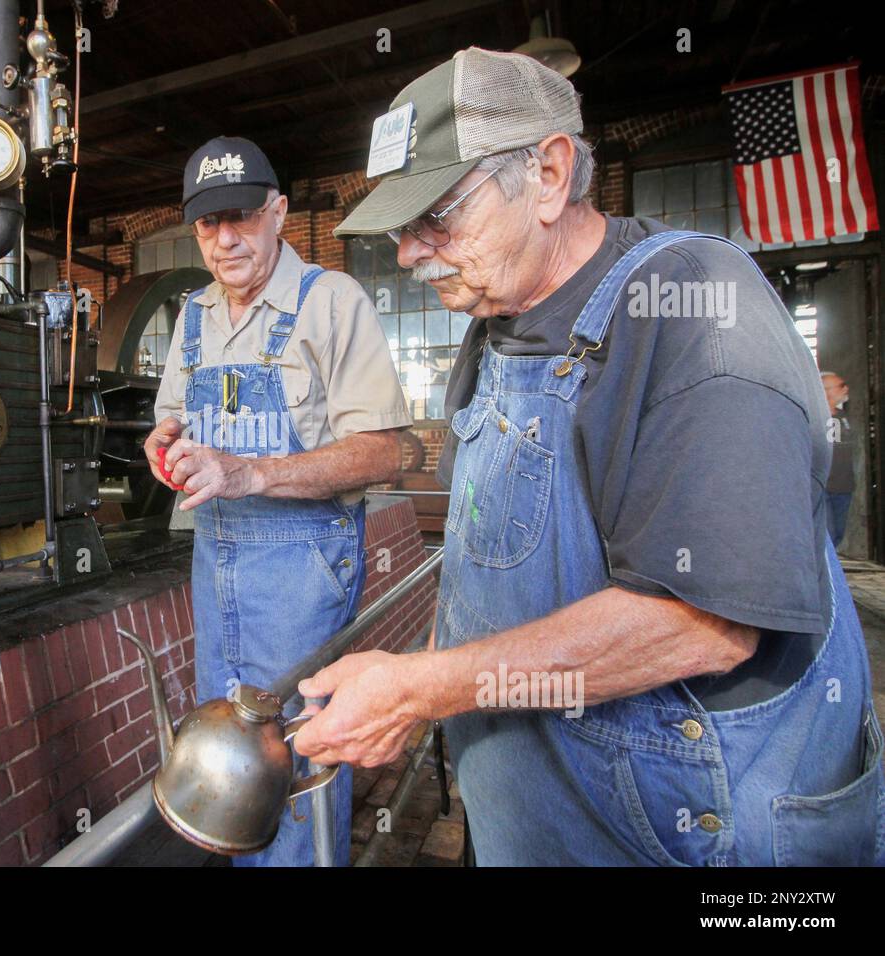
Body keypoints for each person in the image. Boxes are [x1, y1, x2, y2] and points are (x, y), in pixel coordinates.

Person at [292, 47, 885, 865]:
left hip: (687, 831)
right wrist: (429, 686)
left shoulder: (694, 307)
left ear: (548, 173)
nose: (409, 254)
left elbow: (703, 626)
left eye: (437, 217)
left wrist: (423, 688)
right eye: (400, 228)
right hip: (538, 819)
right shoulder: (491, 332)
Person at [145, 136, 412, 866]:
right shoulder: (194, 315)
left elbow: (387, 450)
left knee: (301, 753)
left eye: (242, 217)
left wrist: (249, 473)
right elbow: (171, 419)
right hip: (216, 562)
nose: (226, 239)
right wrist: (165, 443)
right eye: (208, 224)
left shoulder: (331, 302)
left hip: (302, 569)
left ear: (279, 211)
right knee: (230, 755)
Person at [822, 372, 854, 548]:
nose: (846, 389)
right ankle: (826, 575)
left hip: (844, 487)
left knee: (837, 535)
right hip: (824, 487)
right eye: (841, 385)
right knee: (828, 535)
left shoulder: (844, 416)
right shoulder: (815, 417)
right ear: (826, 391)